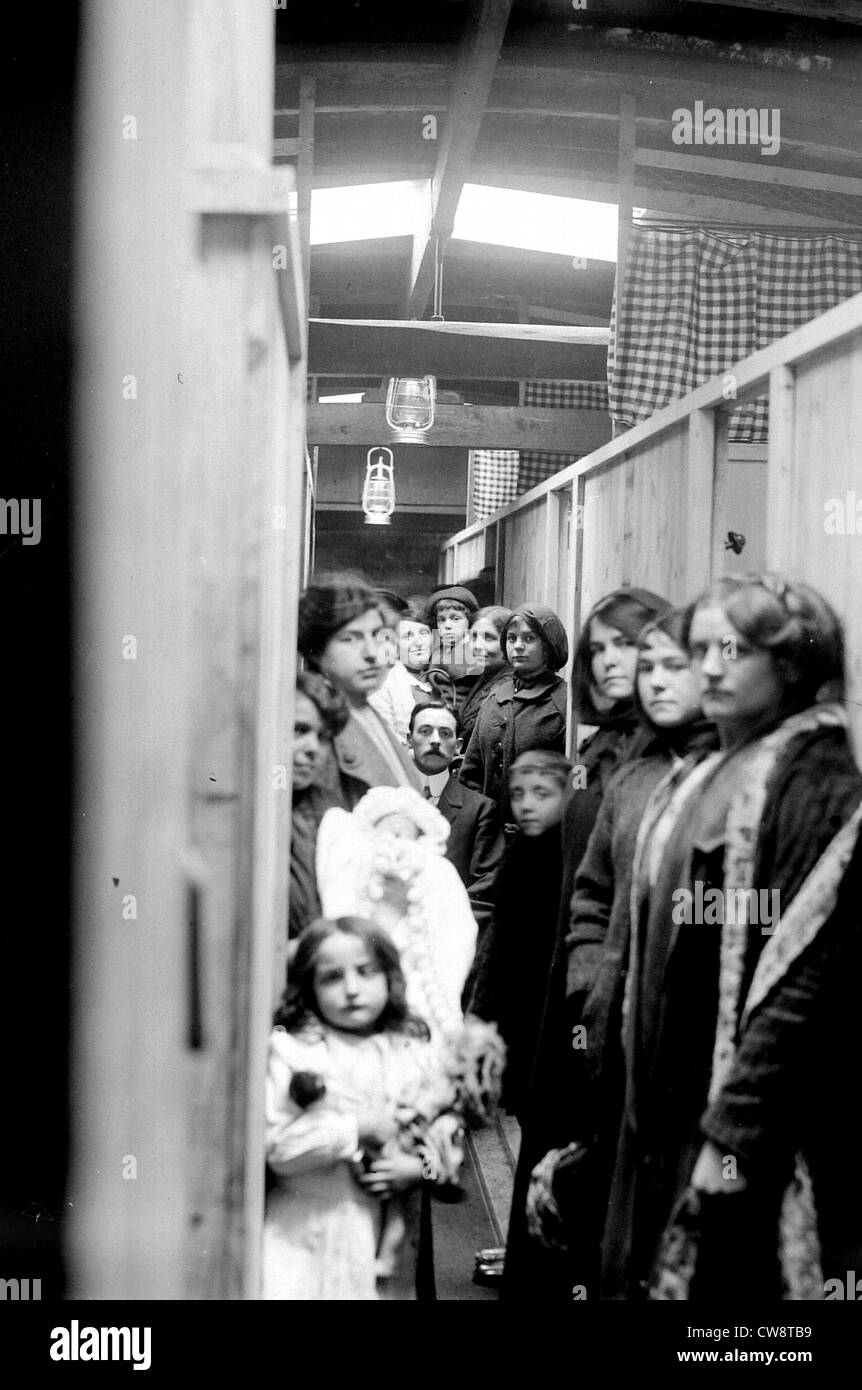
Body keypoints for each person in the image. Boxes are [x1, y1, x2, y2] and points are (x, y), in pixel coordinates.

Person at [602, 573, 862, 1301]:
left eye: (734, 649)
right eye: (701, 648)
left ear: (791, 664)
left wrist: (729, 1143)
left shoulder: (816, 779)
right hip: (667, 1109)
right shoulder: (705, 771)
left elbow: (803, 985)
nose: (709, 667)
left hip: (744, 1125)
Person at [523, 610, 719, 1295]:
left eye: (667, 661)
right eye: (603, 650)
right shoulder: (629, 769)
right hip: (611, 1022)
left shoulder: (721, 772)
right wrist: (591, 985)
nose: (636, 671)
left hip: (687, 1040)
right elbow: (593, 891)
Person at [498, 585, 670, 1300]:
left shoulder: (663, 760)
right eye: (597, 649)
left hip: (613, 992)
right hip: (567, 977)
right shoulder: (597, 750)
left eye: (624, 646)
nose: (606, 664)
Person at [263, 917, 463, 1301]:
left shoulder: (412, 1053)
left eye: (367, 972)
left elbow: (447, 1156)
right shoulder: (297, 1053)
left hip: (384, 1244)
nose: (352, 989)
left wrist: (418, 1169)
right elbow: (280, 1149)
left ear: (389, 977)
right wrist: (358, 1127)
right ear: (309, 987)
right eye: (332, 977)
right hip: (305, 1231)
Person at [314, 785, 478, 1040]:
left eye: (404, 834)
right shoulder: (357, 872)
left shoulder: (437, 874)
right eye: (387, 831)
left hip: (422, 985)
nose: (395, 843)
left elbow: (457, 932)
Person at [467, 750, 573, 1121]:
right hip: (519, 1000)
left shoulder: (570, 856)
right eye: (517, 794)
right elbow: (500, 939)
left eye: (542, 794)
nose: (526, 805)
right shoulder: (518, 854)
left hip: (551, 1004)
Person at [298, 575, 422, 793]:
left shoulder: (362, 708)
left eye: (377, 635)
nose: (372, 653)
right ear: (316, 651)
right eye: (350, 639)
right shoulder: (314, 722)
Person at [406, 700, 504, 974]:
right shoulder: (386, 800)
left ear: (459, 746)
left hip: (447, 952)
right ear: (408, 739)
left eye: (445, 734)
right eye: (425, 731)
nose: (435, 740)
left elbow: (485, 892)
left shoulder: (479, 809)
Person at [459, 602, 569, 822]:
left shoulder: (564, 700)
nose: (518, 646)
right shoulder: (495, 697)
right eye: (512, 638)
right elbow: (471, 772)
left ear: (548, 645)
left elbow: (580, 773)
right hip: (491, 834)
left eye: (529, 639)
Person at [369, 604, 436, 745]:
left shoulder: (438, 680)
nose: (418, 642)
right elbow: (383, 738)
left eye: (424, 633)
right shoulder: (385, 683)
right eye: (408, 636)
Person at [458, 605, 513, 749]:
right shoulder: (484, 677)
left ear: (508, 643)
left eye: (488, 638)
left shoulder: (509, 687)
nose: (477, 645)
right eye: (474, 637)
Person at [424, 584, 480, 713]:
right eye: (441, 620)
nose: (447, 625)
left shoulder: (475, 648)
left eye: (455, 619)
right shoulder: (439, 648)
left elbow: (456, 671)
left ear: (470, 621)